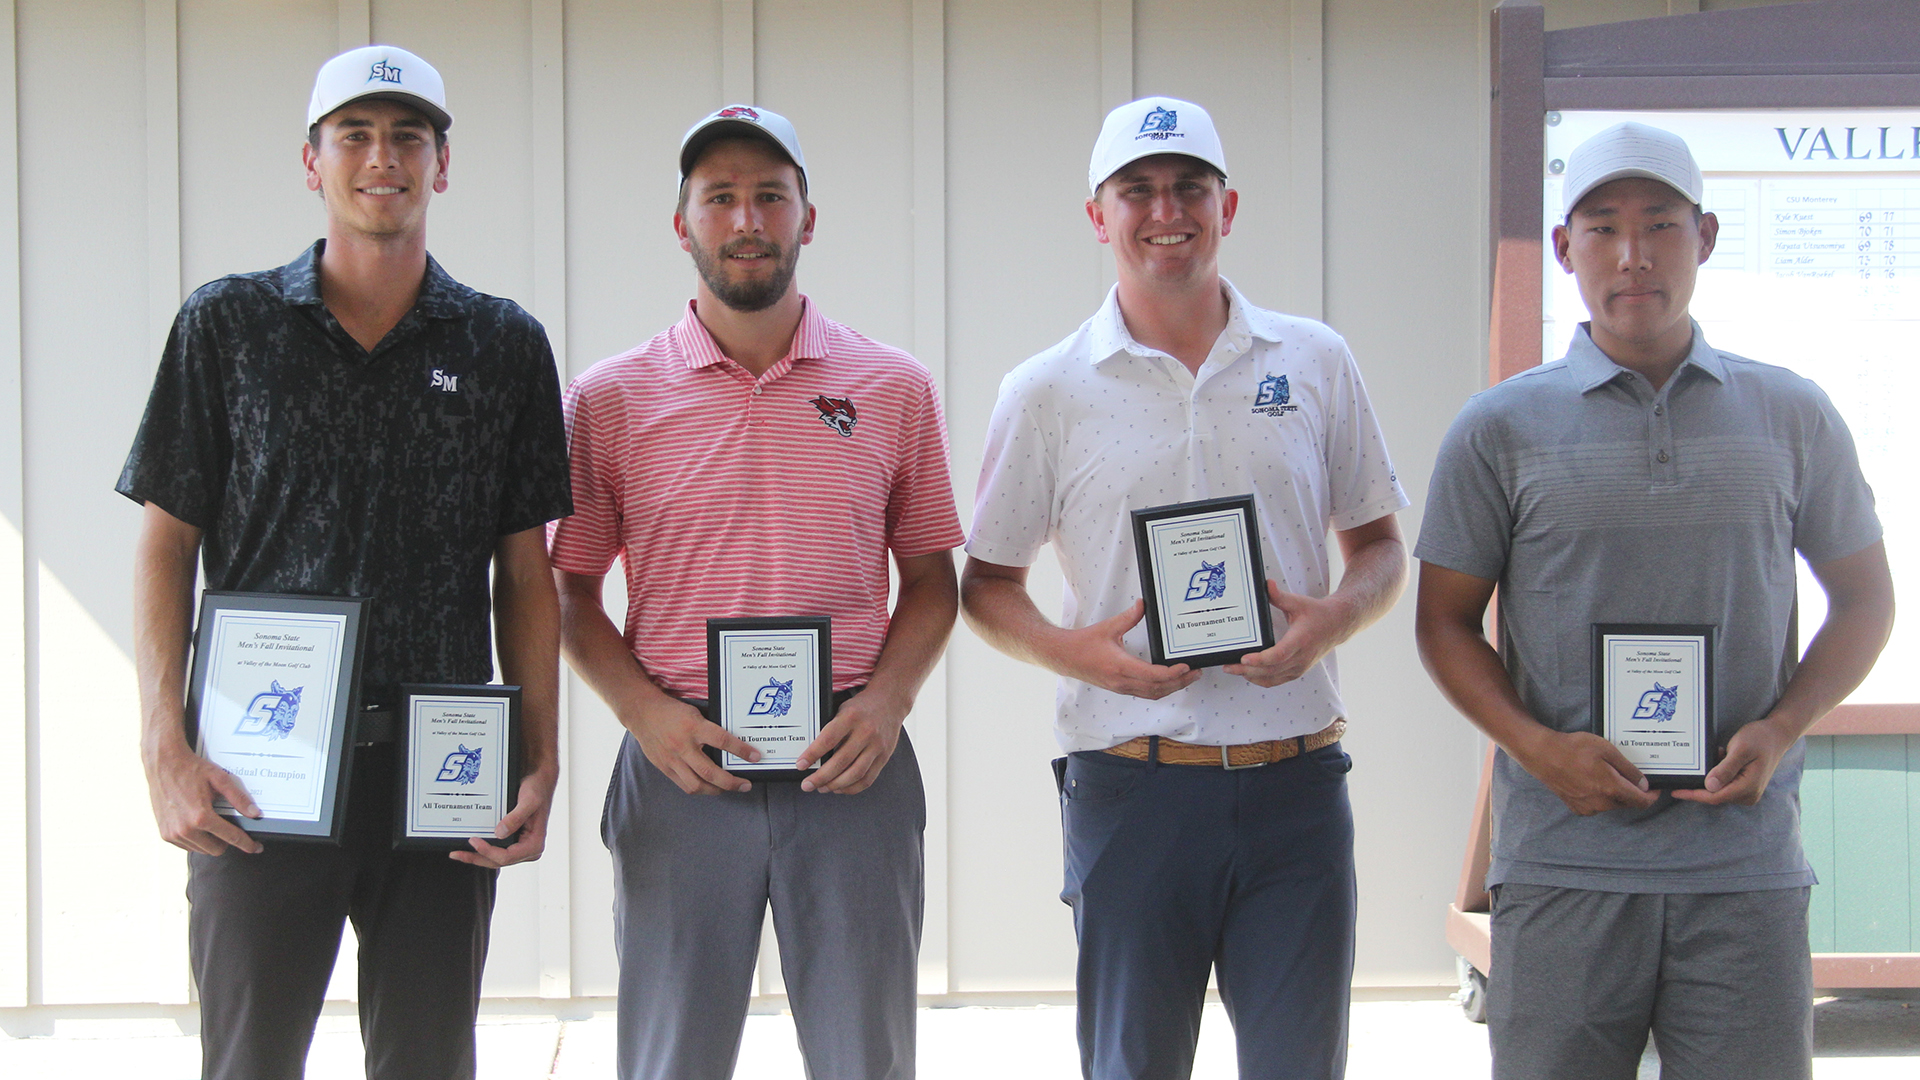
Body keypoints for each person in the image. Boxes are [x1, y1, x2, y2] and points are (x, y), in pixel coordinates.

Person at [119, 45, 572, 1080]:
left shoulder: (504, 344)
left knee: (427, 1062)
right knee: (250, 1061)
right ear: (312, 159)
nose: (384, 157)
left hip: (440, 776)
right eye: (356, 135)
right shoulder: (226, 326)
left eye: (408, 136)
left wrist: (539, 756)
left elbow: (525, 573)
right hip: (260, 773)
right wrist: (163, 743)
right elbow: (165, 544)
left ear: (441, 165)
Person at [1414, 122, 1895, 1080]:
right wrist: (1539, 750)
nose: (1632, 254)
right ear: (1564, 249)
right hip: (1564, 868)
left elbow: (1865, 602)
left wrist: (1786, 726)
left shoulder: (1790, 414)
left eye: (1661, 225)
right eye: (1601, 227)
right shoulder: (1498, 429)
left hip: (1742, 872)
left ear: (1705, 237)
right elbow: (1443, 624)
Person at [961, 97, 1409, 1080]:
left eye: (1189, 188)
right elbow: (986, 583)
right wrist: (1068, 648)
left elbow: (1381, 546)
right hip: (1132, 786)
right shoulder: (1046, 391)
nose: (1166, 210)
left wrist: (1334, 618)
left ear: (1228, 205)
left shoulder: (1316, 362)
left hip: (1296, 783)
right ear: (1098, 215)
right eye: (1138, 191)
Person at [549, 104, 963, 1080]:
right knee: (670, 1060)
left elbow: (934, 581)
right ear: (683, 222)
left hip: (849, 766)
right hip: (683, 765)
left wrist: (889, 703)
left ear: (807, 220)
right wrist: (643, 715)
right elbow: (569, 593)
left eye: (770, 197)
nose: (747, 220)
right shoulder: (609, 400)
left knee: (868, 1059)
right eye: (721, 197)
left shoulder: (892, 387)